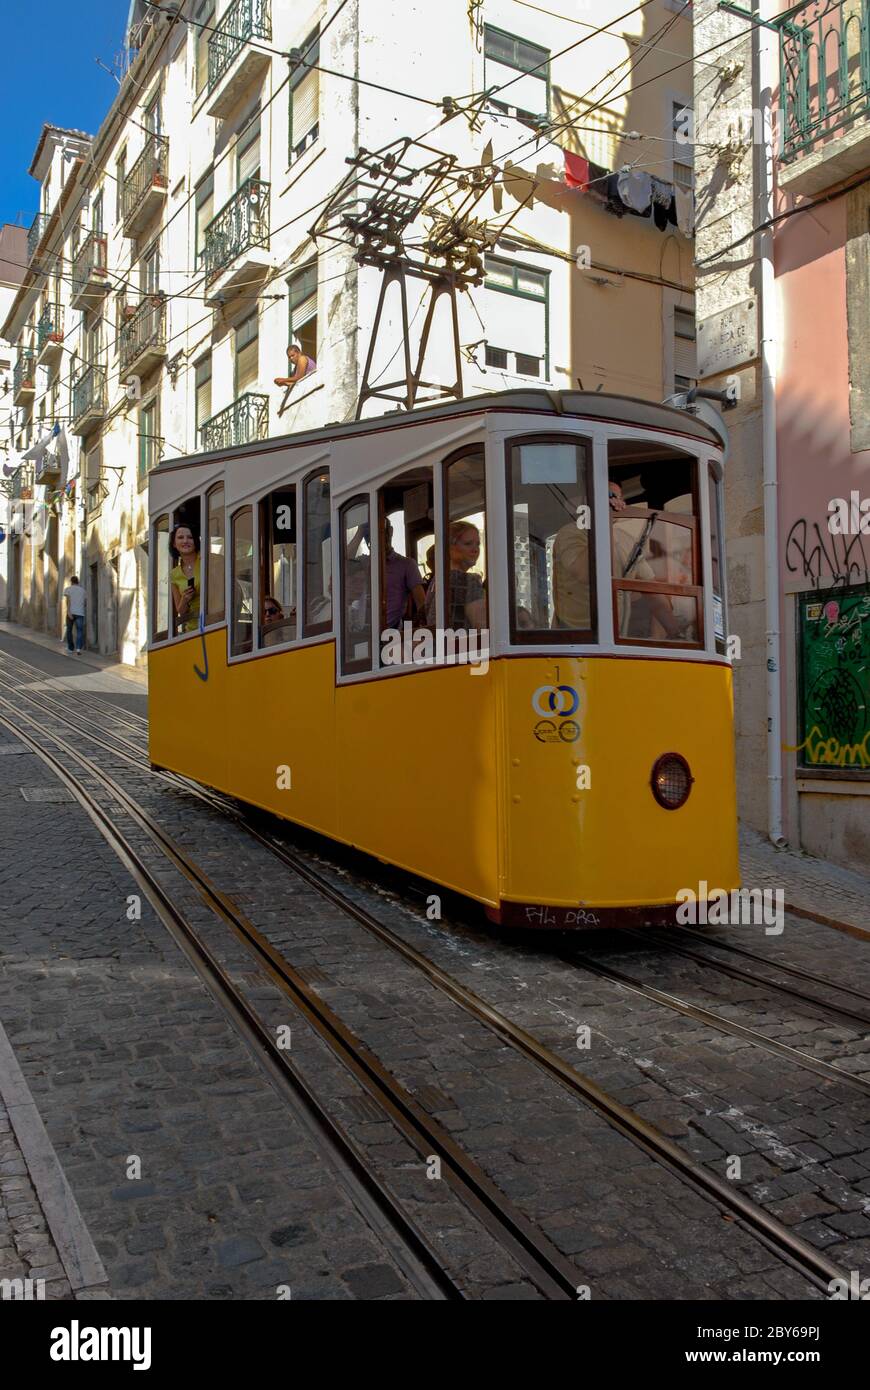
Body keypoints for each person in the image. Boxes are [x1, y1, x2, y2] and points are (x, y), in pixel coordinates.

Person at [552, 479, 685, 638]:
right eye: (609, 496)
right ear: (590, 501)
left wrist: (677, 634)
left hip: (615, 639)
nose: (616, 502)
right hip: (573, 641)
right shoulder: (571, 533)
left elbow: (653, 594)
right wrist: (602, 519)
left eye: (618, 497)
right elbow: (586, 574)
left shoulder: (625, 540)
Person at [424, 520, 487, 632]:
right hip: (463, 646)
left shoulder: (437, 580)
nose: (475, 549)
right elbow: (482, 626)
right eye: (468, 544)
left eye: (477, 544)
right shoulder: (467, 580)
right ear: (450, 548)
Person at [383, 519, 426, 628]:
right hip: (362, 633)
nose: (381, 537)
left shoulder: (407, 564)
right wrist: (359, 534)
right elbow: (341, 564)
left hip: (391, 632)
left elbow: (422, 605)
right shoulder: (363, 562)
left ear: (390, 532)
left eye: (383, 532)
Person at [169, 523, 201, 634]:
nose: (185, 541)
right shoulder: (174, 574)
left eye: (190, 537)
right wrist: (185, 599)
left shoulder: (208, 560)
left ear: (195, 541)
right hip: (192, 631)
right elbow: (181, 611)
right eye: (180, 537)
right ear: (174, 544)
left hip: (213, 623)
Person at [63, 574, 86, 655]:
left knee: (69, 630)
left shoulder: (68, 589)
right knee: (80, 630)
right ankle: (78, 649)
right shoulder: (83, 590)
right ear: (78, 582)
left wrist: (68, 611)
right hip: (80, 613)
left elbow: (68, 601)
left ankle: (70, 648)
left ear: (71, 582)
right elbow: (85, 602)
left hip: (71, 612)